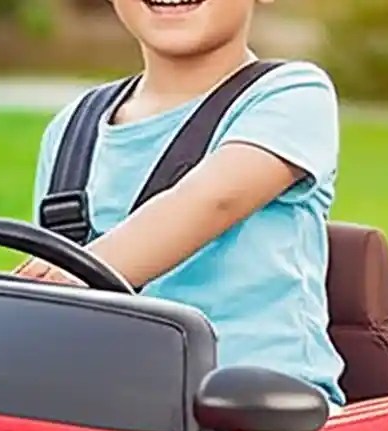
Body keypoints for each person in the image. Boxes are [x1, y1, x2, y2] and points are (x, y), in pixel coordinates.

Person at [17, 0, 347, 405]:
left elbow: (214, 200)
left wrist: (65, 281)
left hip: (264, 409)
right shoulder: (73, 129)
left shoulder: (291, 95)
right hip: (112, 403)